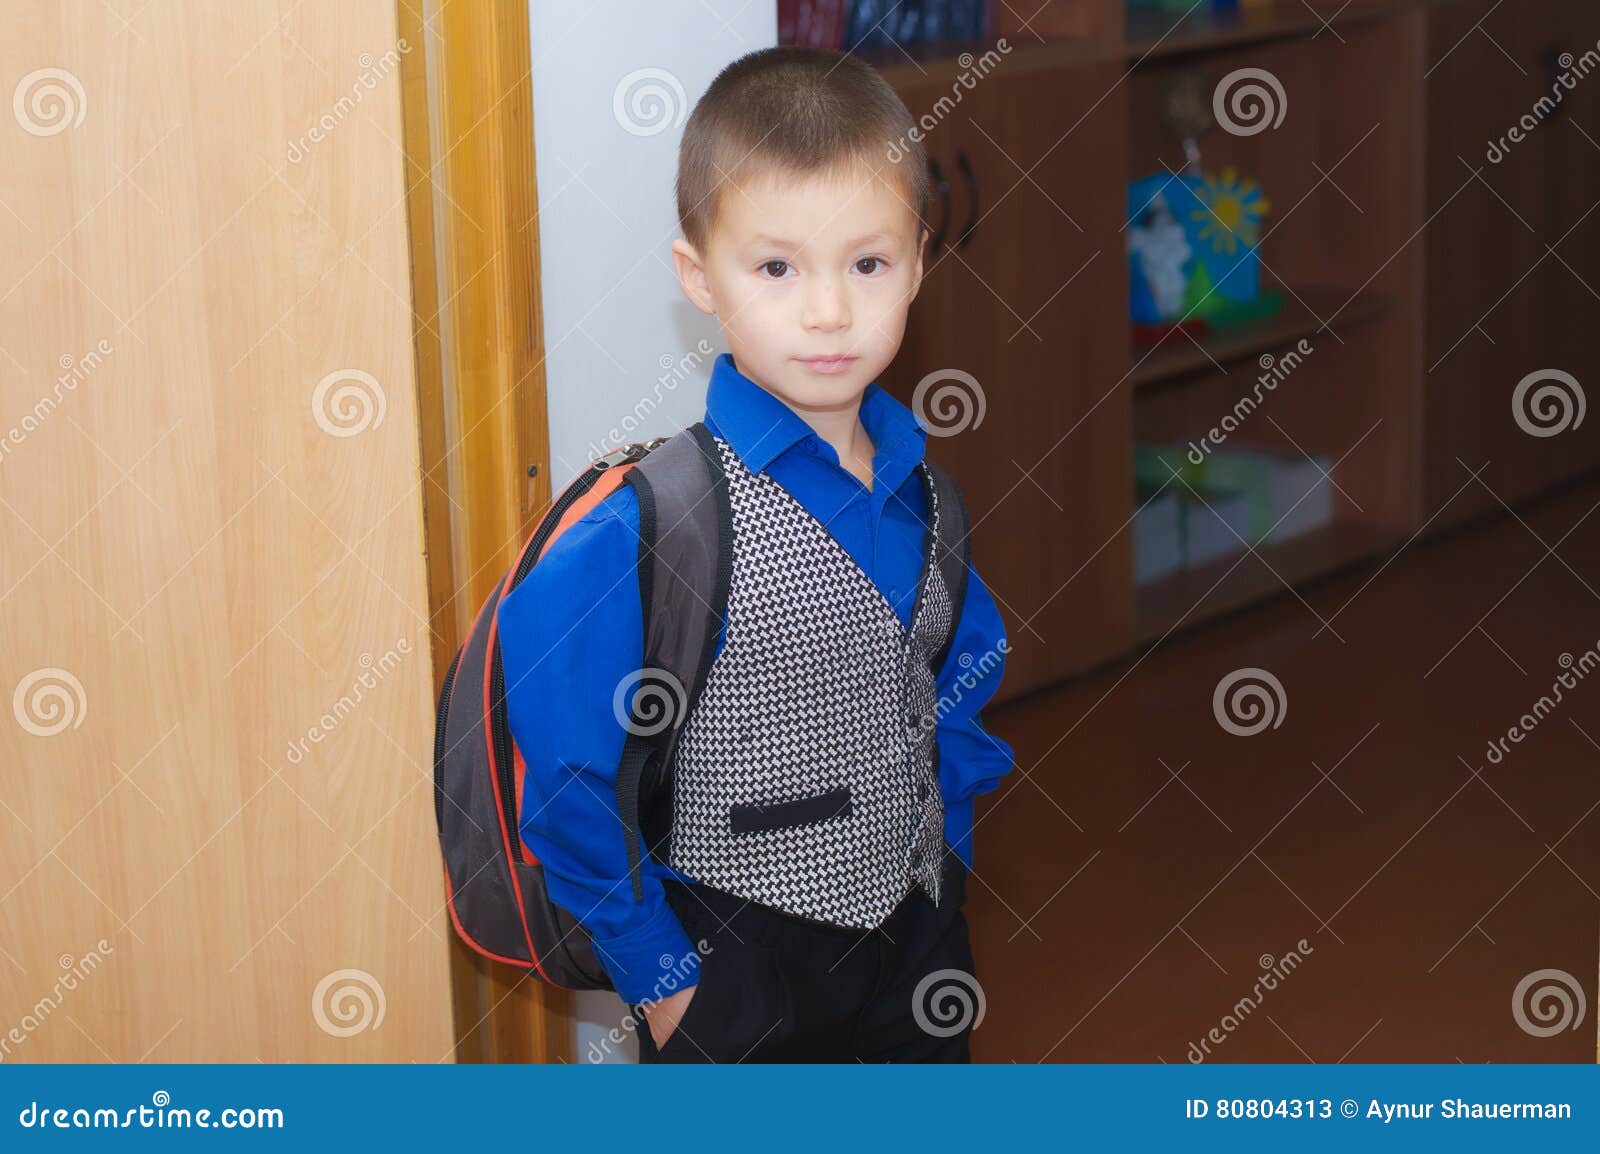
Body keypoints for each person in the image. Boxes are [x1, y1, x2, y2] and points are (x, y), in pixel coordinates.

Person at [497, 44, 1014, 1063]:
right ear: (700, 277)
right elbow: (563, 776)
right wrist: (661, 977)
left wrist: (942, 860)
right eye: (776, 267)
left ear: (916, 258)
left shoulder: (928, 496)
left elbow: (957, 688)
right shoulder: (649, 524)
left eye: (866, 263)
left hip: (917, 948)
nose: (827, 311)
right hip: (734, 960)